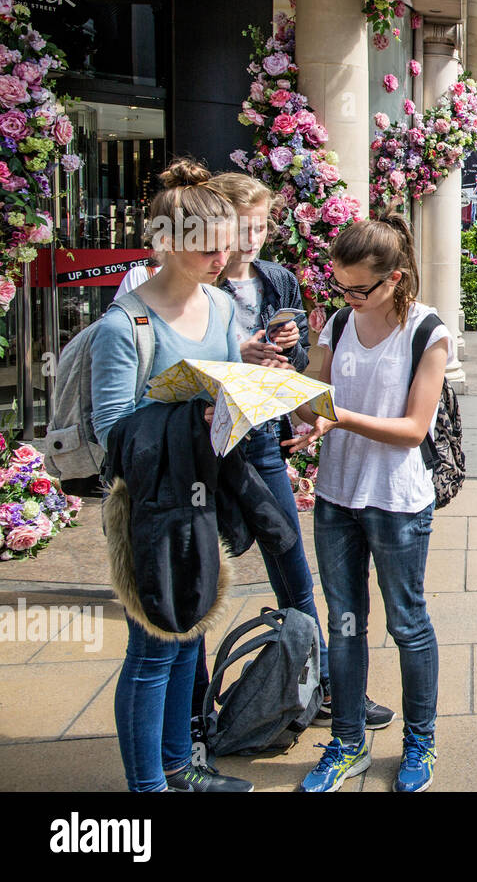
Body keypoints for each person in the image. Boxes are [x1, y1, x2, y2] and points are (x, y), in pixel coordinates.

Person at [198, 172, 394, 740]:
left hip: (260, 436)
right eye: (242, 225)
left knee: (291, 561)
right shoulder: (194, 284)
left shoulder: (277, 279)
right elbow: (182, 359)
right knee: (200, 578)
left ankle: (325, 685)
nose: (253, 237)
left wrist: (287, 357)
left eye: (261, 226)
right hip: (204, 446)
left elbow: (305, 358)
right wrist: (239, 352)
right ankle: (195, 713)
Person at [90, 158, 252, 792]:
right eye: (208, 247)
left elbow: (234, 390)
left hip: (201, 496)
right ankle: (149, 788)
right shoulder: (122, 325)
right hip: (149, 508)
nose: (223, 257)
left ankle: (180, 767)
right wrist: (190, 415)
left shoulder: (219, 305)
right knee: (153, 649)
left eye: (228, 244)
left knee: (189, 638)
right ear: (164, 243)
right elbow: (113, 435)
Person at [285, 209, 452, 793]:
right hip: (336, 495)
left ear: (396, 278)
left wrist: (339, 419)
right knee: (345, 625)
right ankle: (349, 743)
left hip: (397, 500)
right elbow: (312, 403)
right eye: (342, 287)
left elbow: (412, 430)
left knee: (408, 623)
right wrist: (297, 370)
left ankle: (420, 743)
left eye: (361, 288)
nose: (349, 297)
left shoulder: (427, 332)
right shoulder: (336, 323)